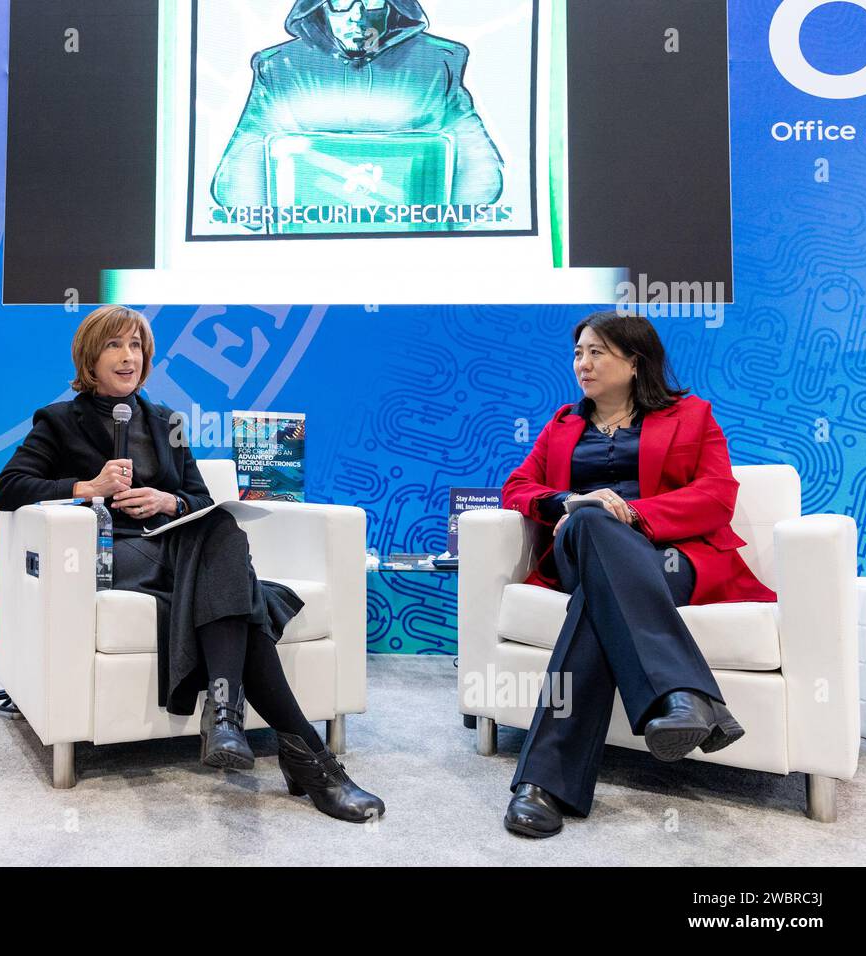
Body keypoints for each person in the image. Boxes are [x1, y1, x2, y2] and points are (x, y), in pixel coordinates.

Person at [0, 305, 384, 823]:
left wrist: (167, 502)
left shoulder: (166, 422)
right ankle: (300, 754)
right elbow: (9, 488)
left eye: (136, 346)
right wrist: (88, 488)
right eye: (114, 345)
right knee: (244, 590)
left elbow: (198, 497)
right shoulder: (59, 420)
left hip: (173, 545)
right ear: (91, 356)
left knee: (221, 527)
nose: (128, 356)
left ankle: (235, 720)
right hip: (110, 552)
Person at [499, 311, 776, 838]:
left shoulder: (692, 416)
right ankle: (683, 695)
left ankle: (543, 784)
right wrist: (567, 502)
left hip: (669, 560)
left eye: (596, 352)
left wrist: (636, 513)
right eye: (578, 352)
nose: (583, 363)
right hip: (582, 553)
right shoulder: (563, 424)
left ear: (634, 360)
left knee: (595, 598)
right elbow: (517, 487)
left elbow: (717, 495)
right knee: (587, 519)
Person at [212, 0, 504, 219]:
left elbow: (481, 172)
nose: (358, 16)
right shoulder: (278, 67)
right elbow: (237, 184)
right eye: (341, 3)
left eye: (373, 2)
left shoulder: (438, 63)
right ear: (318, 8)